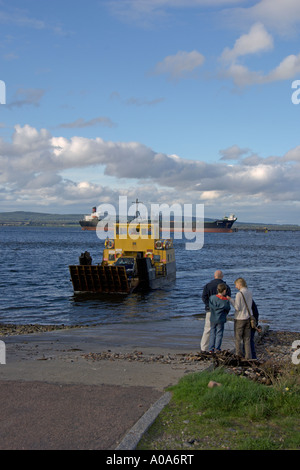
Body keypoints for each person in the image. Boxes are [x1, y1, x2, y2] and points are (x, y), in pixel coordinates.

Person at [200, 270, 231, 351]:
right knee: (219, 331)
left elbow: (204, 297)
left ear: (214, 276)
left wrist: (210, 306)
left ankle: (204, 348)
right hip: (221, 312)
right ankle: (217, 348)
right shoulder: (226, 286)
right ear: (222, 276)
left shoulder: (208, 285)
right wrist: (225, 311)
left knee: (207, 330)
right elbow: (227, 300)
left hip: (210, 311)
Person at [227, 277, 252, 359]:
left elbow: (237, 307)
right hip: (248, 317)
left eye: (236, 285)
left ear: (240, 284)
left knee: (238, 339)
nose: (235, 287)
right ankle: (248, 356)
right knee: (247, 339)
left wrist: (231, 300)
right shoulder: (249, 292)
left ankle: (239, 355)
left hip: (240, 318)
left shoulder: (239, 294)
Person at [208, 283, 231, 352]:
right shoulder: (225, 300)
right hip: (221, 318)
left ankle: (211, 348)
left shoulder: (212, 297)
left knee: (212, 332)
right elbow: (228, 309)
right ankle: (217, 348)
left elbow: (210, 306)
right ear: (224, 291)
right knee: (219, 333)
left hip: (213, 317)